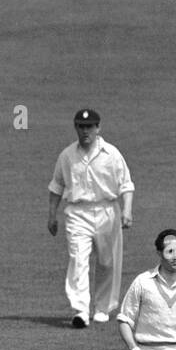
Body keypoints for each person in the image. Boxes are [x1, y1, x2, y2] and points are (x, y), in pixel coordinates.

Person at [46, 108, 134, 328]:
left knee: (107, 261)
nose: (85, 131)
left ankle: (102, 308)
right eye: (81, 126)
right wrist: (52, 215)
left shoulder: (111, 154)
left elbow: (126, 184)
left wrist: (127, 210)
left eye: (89, 127)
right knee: (78, 259)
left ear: (98, 128)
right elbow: (57, 186)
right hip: (77, 213)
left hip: (107, 211)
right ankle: (81, 310)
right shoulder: (67, 155)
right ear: (76, 128)